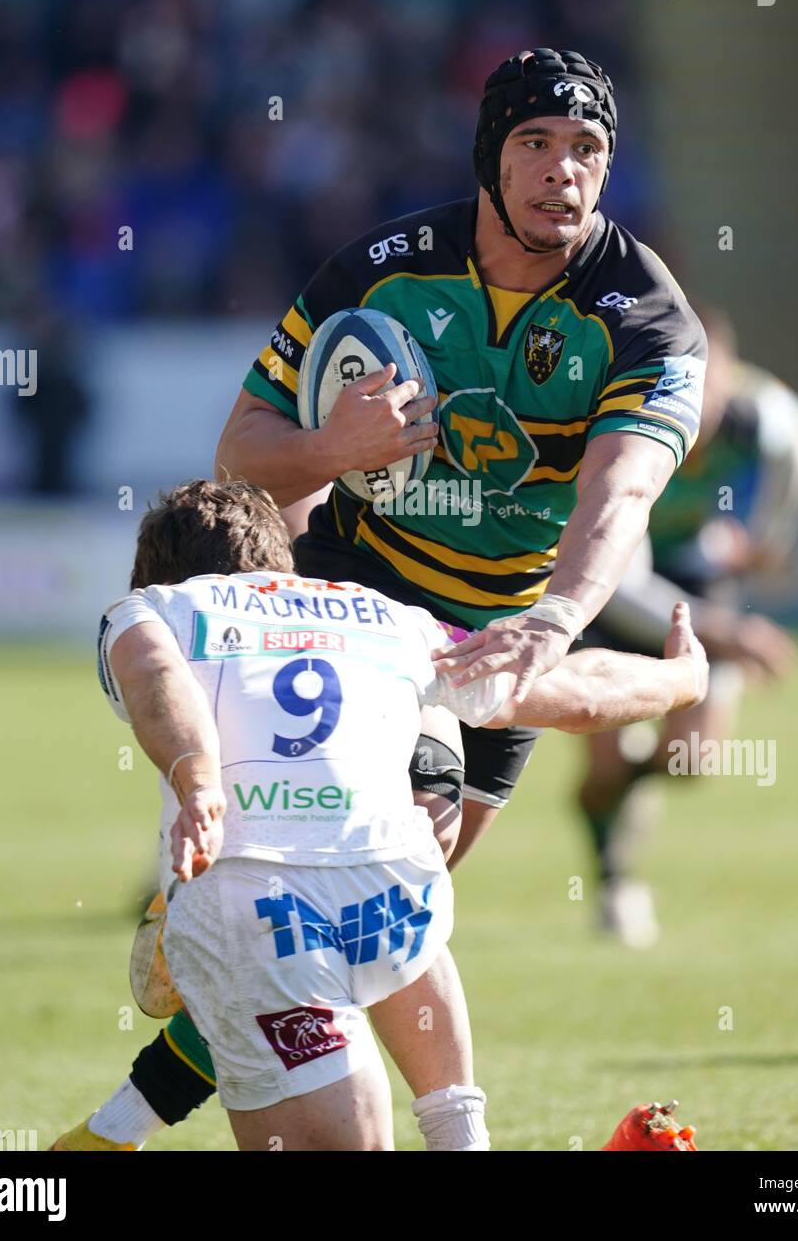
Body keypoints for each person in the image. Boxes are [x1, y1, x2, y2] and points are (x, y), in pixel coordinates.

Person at [53, 478, 708, 1151]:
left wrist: (198, 781)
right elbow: (575, 696)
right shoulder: (392, 617)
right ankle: (106, 1139)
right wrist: (683, 679)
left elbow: (157, 673)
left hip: (255, 902)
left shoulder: (154, 608)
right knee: (447, 1109)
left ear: (159, 572)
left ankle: (96, 1144)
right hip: (395, 903)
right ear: (284, 562)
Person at [215, 47, 708, 870]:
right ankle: (219, 937)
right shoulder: (379, 274)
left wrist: (555, 619)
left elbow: (622, 490)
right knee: (406, 826)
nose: (562, 171)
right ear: (489, 156)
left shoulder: (650, 317)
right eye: (536, 144)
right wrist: (332, 447)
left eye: (587, 148)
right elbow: (238, 458)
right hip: (360, 589)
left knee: (415, 895)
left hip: (509, 627)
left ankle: (226, 946)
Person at [576, 311, 798, 947]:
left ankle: (621, 792)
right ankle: (616, 880)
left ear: (731, 381)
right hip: (614, 567)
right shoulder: (626, 416)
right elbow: (623, 589)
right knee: (606, 751)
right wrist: (733, 633)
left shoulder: (768, 423)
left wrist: (766, 541)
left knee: (694, 759)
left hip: (693, 569)